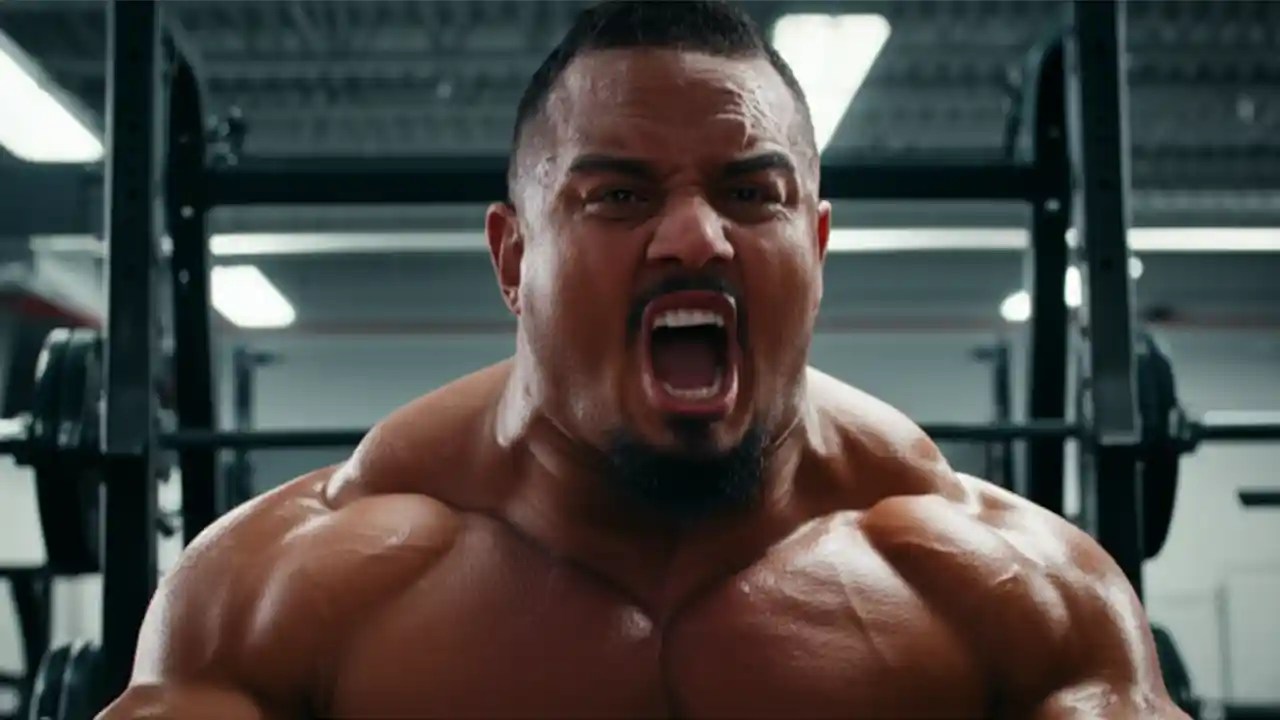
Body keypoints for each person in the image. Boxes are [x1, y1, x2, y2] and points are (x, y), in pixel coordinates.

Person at [101, 1, 1187, 717]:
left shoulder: (1020, 595)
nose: (695, 238)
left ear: (814, 250)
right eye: (618, 194)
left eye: (750, 193)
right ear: (513, 257)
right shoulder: (275, 595)